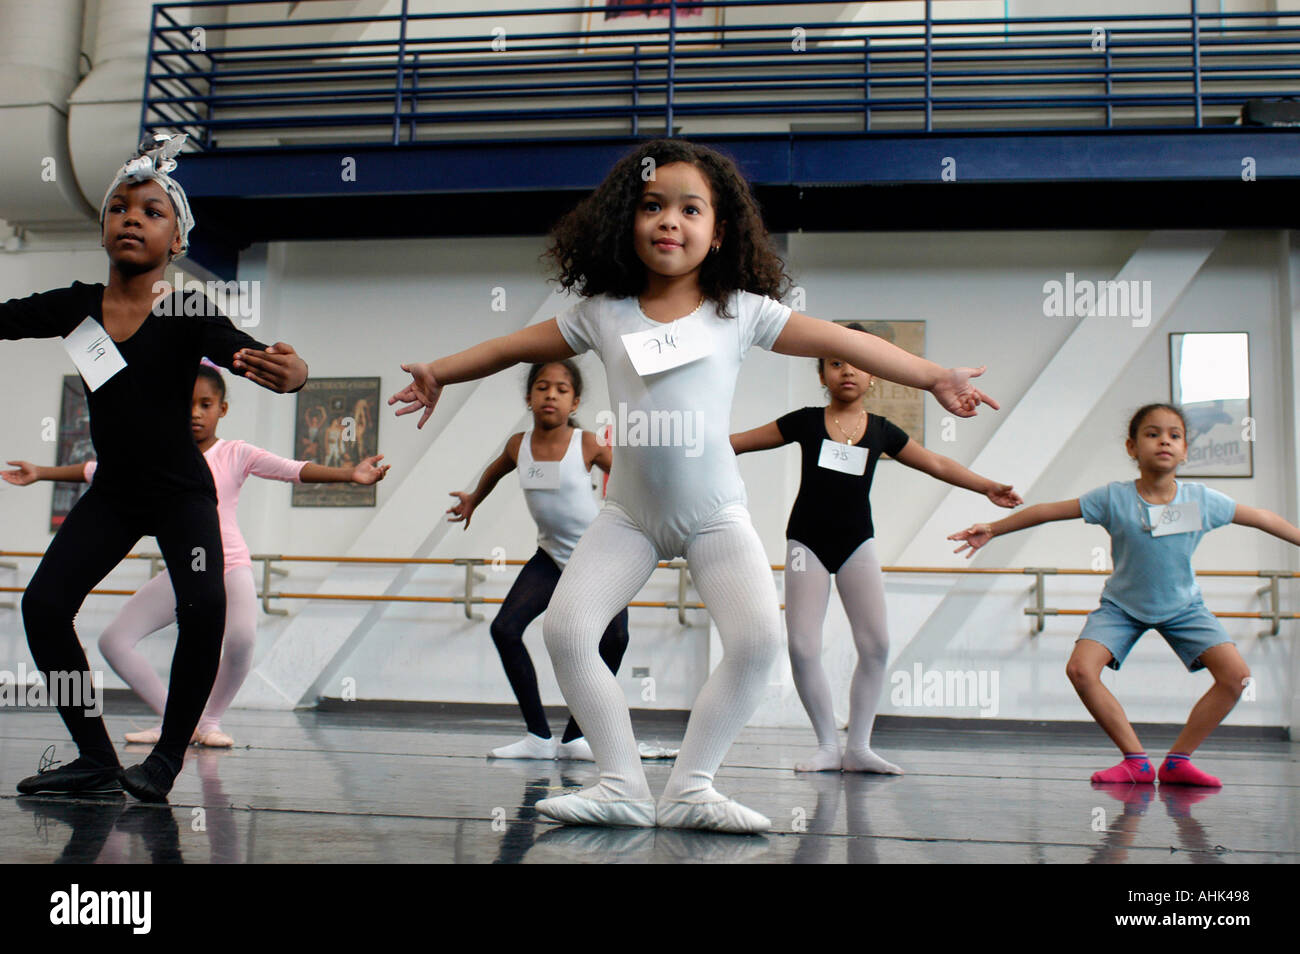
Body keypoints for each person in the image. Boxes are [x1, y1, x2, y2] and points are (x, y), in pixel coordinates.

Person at [390, 138, 997, 831]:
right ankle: (619, 782)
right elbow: (512, 347)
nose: (669, 221)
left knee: (759, 643)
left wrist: (933, 374)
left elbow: (847, 340)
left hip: (713, 514)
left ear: (719, 232)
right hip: (628, 517)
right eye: (652, 206)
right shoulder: (602, 313)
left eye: (689, 209)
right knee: (565, 629)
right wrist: (440, 370)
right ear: (628, 221)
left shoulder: (740, 311)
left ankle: (691, 787)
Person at [1, 134, 309, 801]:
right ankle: (93, 755)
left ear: (177, 241)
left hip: (178, 493)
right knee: (44, 606)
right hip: (115, 492)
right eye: (118, 208)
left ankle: (166, 760)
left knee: (204, 608)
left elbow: (251, 356)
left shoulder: (186, 310)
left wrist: (293, 371)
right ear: (105, 228)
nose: (130, 218)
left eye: (150, 210)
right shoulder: (76, 306)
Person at [4, 362, 388, 748]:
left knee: (240, 641)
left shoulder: (236, 453)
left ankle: (210, 719)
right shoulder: (159, 457)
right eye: (187, 403)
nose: (194, 413)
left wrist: (349, 475)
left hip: (230, 565)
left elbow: (292, 469)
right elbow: (96, 469)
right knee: (114, 641)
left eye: (205, 404)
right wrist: (40, 471)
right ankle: (179, 721)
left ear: (222, 409)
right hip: (183, 568)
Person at [949, 403, 1298, 787]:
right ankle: (1136, 761)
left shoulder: (1201, 501)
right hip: (1122, 607)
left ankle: (1178, 762)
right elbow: (1049, 510)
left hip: (1184, 607)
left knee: (1236, 677)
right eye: (1152, 434)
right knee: (1081, 669)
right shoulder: (1113, 498)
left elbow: (1264, 518)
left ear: (1184, 451)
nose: (1164, 440)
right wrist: (994, 528)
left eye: (1174, 435)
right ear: (1132, 448)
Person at [731, 325, 1021, 773]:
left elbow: (937, 463)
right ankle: (828, 745)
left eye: (859, 363)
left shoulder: (882, 431)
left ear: (876, 376)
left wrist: (987, 488)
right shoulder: (805, 422)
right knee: (803, 646)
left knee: (876, 645)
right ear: (822, 374)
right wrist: (687, 450)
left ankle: (860, 747)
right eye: (835, 362)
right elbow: (736, 444)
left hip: (856, 542)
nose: (848, 370)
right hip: (805, 541)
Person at [447, 360, 626, 761]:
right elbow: (495, 472)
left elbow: (631, 480)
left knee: (614, 639)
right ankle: (538, 737)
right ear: (529, 398)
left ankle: (578, 736)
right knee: (505, 629)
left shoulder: (588, 444)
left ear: (574, 400)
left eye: (562, 389)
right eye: (542, 387)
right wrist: (473, 499)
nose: (551, 395)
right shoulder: (518, 446)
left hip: (597, 557)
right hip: (550, 555)